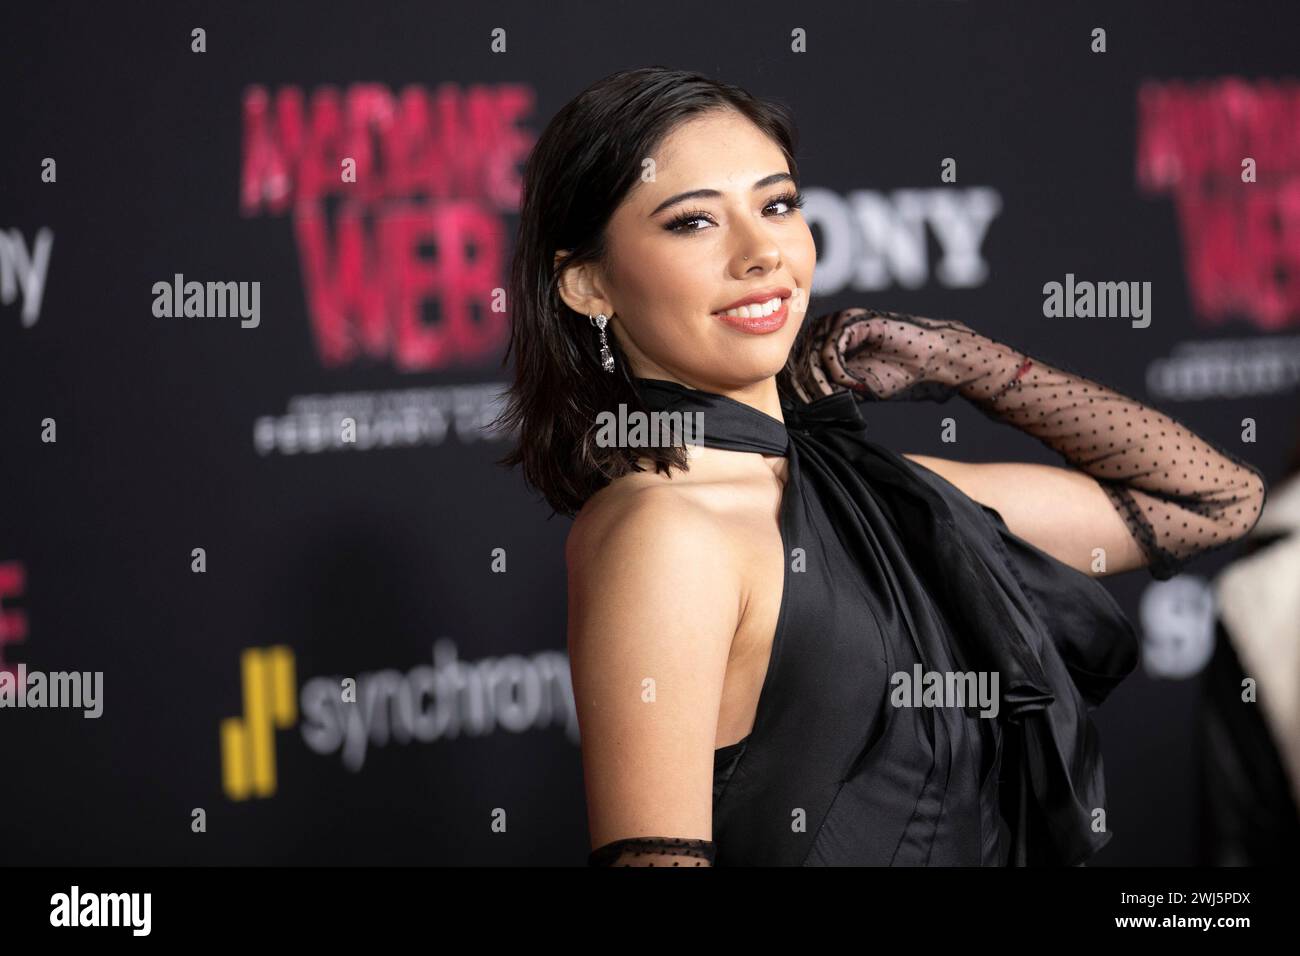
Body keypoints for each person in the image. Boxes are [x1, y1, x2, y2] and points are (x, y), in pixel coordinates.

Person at [495, 66, 1267, 866]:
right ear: (588, 284)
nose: (762, 252)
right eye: (692, 223)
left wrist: (960, 362)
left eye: (778, 205)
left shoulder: (882, 494)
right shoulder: (664, 529)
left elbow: (1219, 500)